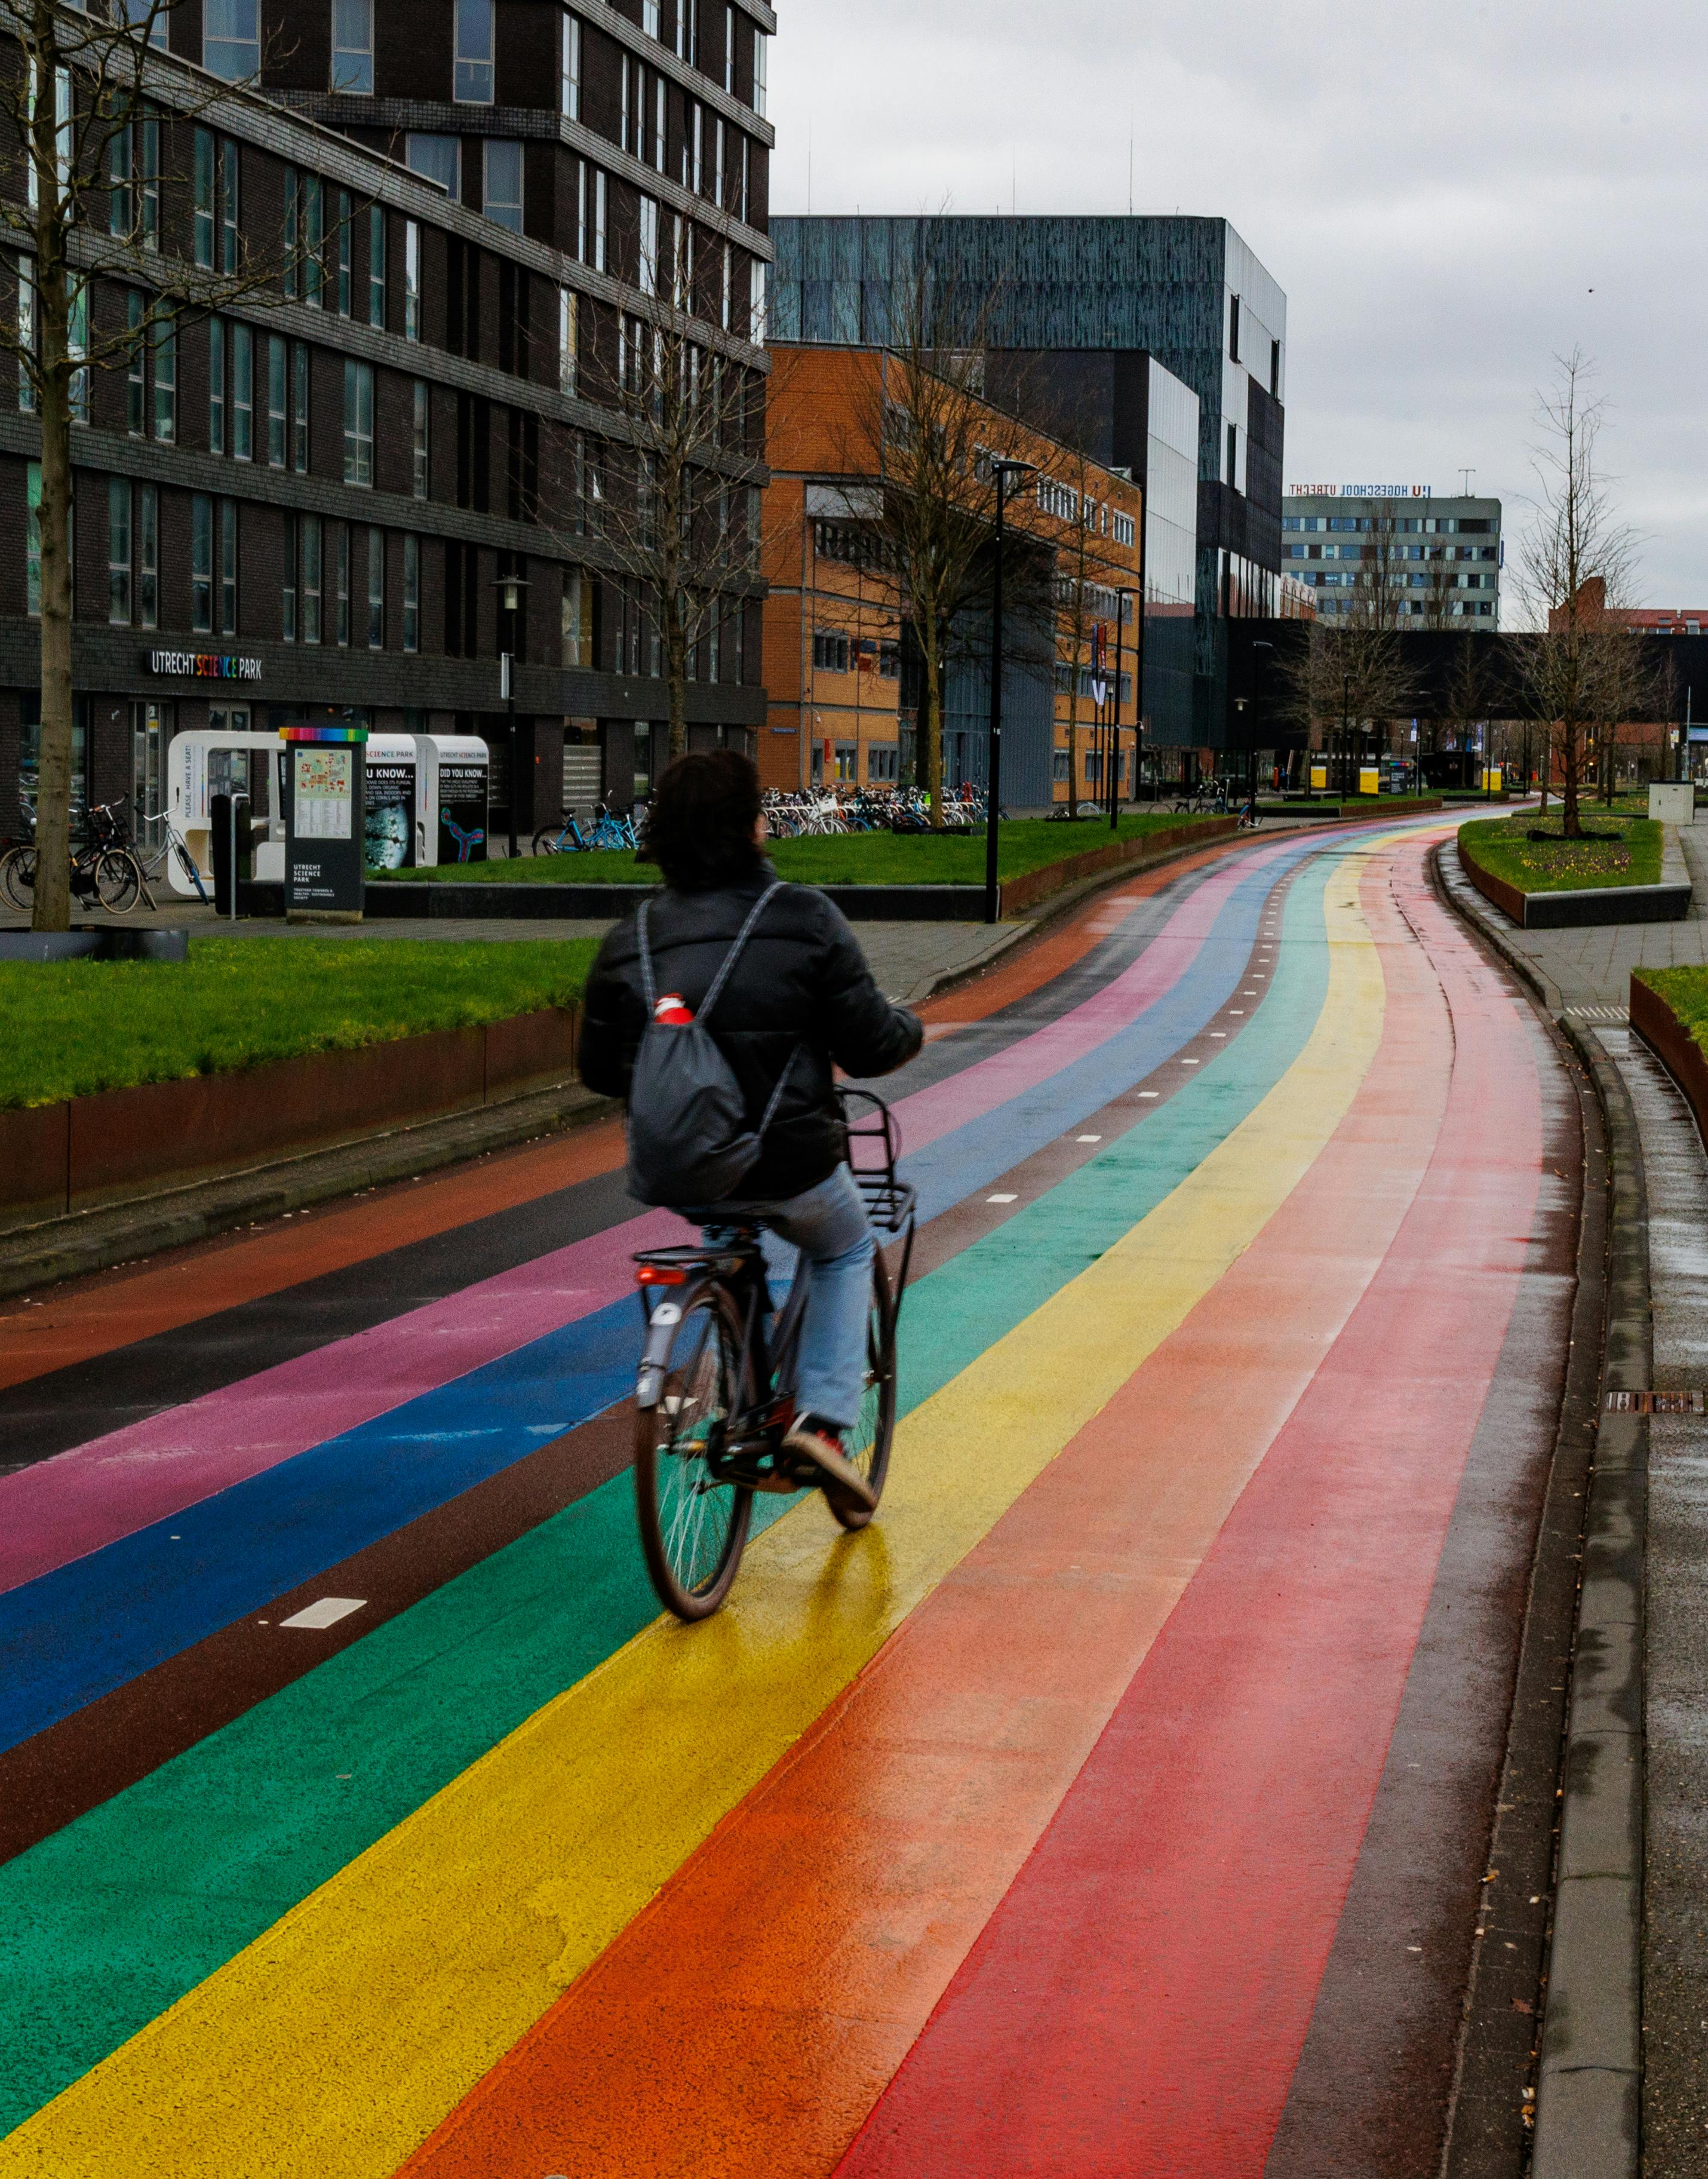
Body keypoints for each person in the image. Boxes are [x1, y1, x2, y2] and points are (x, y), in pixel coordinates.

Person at [578, 750, 923, 1512]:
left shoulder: (630, 938)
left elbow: (600, 1071)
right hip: (790, 1160)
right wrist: (909, 1026)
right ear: (751, 829)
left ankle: (734, 1368)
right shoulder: (803, 918)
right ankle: (823, 1423)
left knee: (727, 1227)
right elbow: (869, 1042)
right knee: (843, 1245)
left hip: (682, 1167)